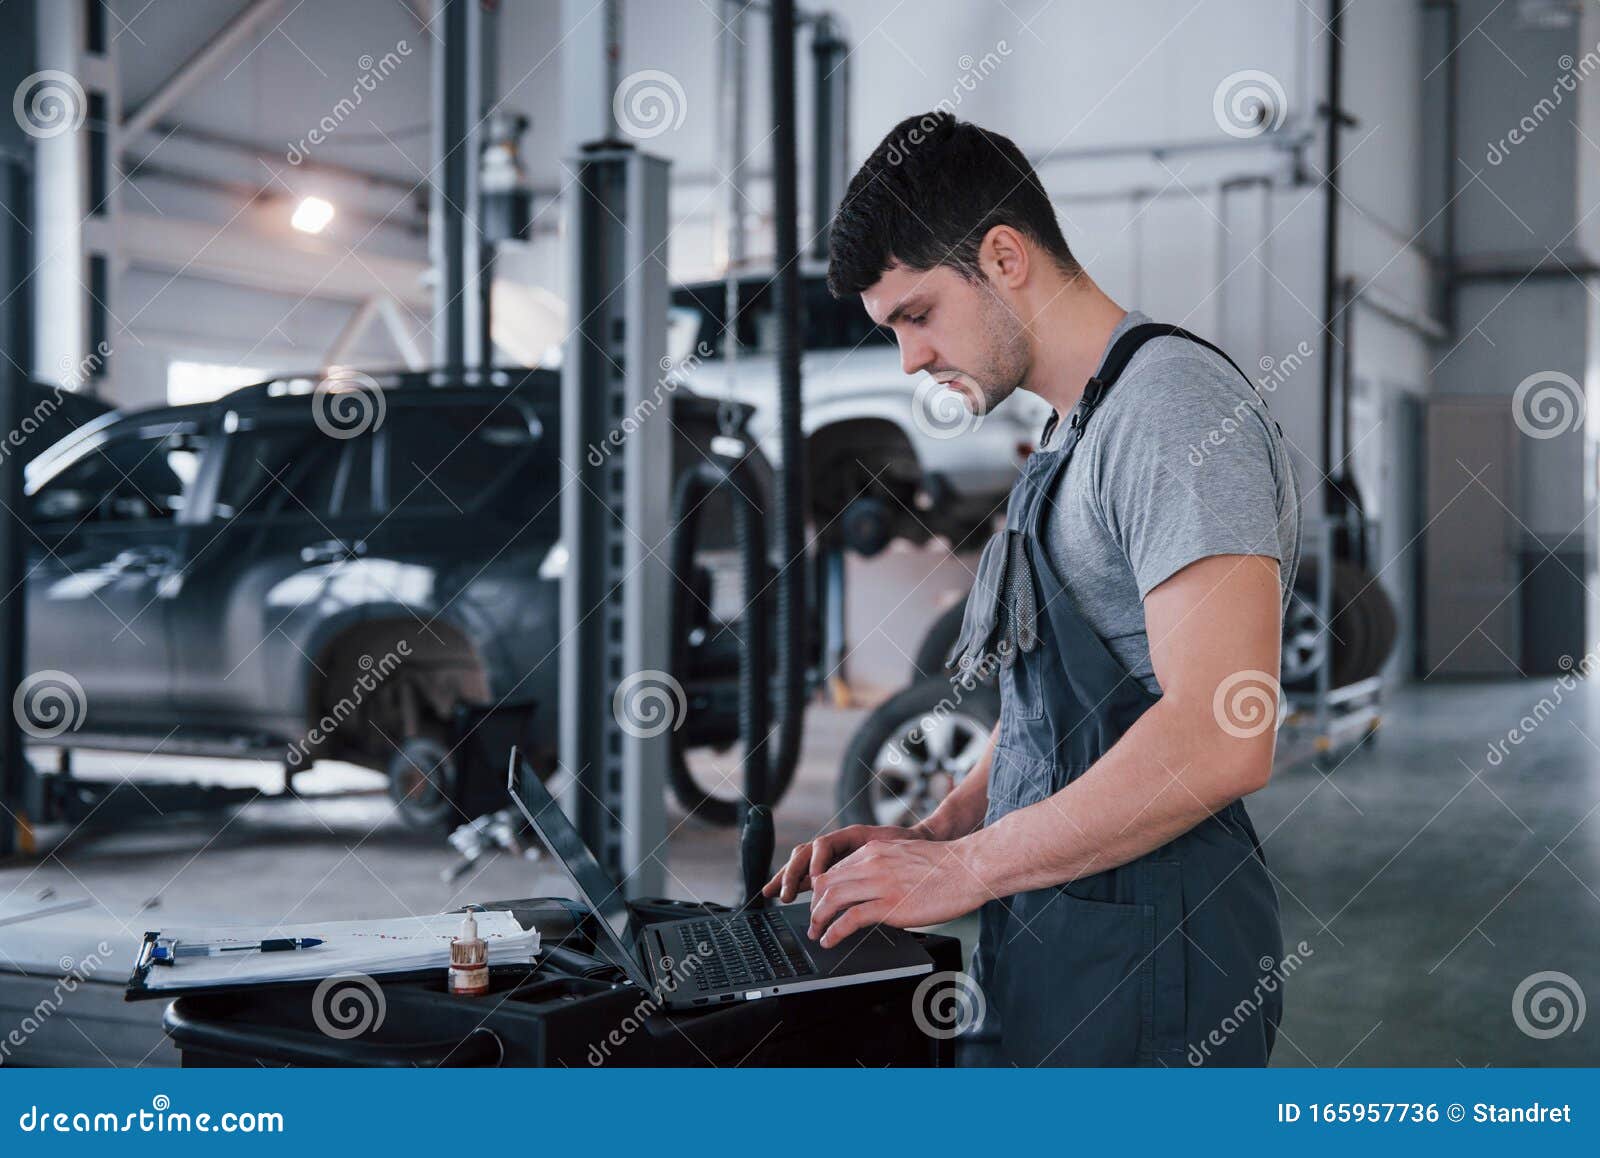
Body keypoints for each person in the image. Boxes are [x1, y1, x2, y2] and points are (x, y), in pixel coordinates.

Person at [764, 111, 1301, 1066]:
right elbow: (1052, 709)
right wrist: (930, 837)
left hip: (1156, 960)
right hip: (1062, 931)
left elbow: (1222, 734)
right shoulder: (1068, 429)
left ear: (1004, 256)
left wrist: (965, 868)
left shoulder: (1170, 410)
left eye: (917, 315)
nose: (911, 360)